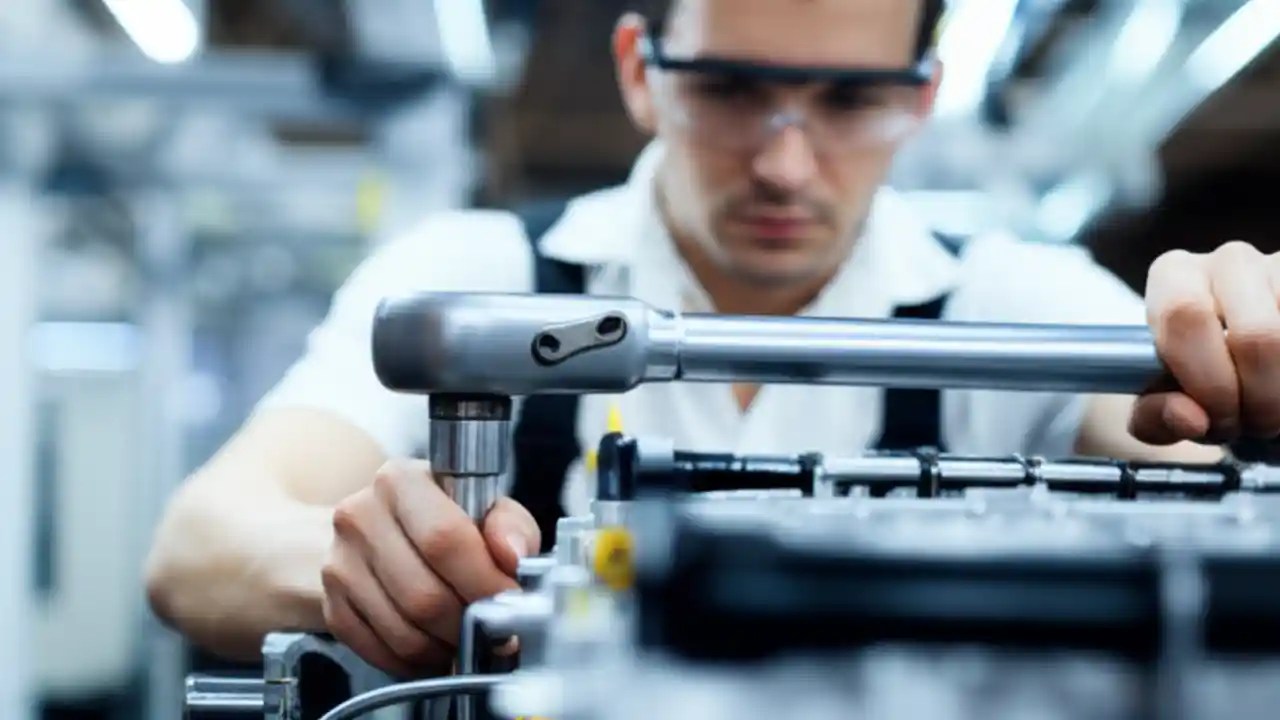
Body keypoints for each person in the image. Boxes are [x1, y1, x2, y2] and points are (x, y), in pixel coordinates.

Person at [145, 0, 1280, 679]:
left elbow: (1185, 462)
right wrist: (359, 574)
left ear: (922, 97)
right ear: (641, 73)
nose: (786, 162)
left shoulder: (1014, 301)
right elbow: (197, 545)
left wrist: (1244, 380)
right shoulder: (479, 278)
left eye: (848, 101)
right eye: (734, 91)